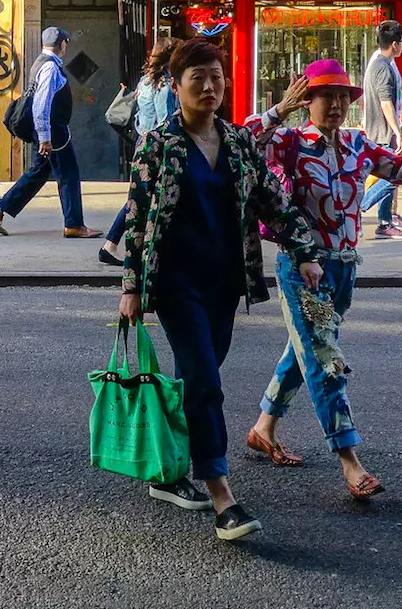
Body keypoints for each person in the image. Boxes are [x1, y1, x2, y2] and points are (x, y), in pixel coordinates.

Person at [117, 38, 325, 542]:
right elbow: (138, 220)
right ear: (176, 86)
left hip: (225, 283)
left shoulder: (236, 143)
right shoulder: (158, 145)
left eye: (216, 77)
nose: (210, 87)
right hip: (174, 285)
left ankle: (168, 473)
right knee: (206, 381)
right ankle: (222, 498)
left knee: (196, 378)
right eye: (198, 79)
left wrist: (304, 250)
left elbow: (273, 201)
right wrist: (130, 287)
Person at [242, 59, 402, 496]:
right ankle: (350, 461)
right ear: (307, 100)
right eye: (327, 96)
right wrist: (279, 111)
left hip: (344, 268)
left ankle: (264, 427)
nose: (337, 104)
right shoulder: (289, 142)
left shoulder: (357, 144)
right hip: (302, 267)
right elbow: (240, 142)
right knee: (326, 359)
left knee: (304, 348)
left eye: (344, 96)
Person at [0, 27, 97, 238]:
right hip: (53, 132)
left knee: (40, 172)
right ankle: (74, 225)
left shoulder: (40, 63)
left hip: (48, 130)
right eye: (66, 42)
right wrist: (45, 136)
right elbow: (41, 103)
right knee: (69, 174)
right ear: (61, 44)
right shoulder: (50, 68)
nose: (66, 46)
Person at [99, 39, 178, 266]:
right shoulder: (163, 86)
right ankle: (111, 244)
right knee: (142, 199)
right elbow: (165, 121)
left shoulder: (145, 82)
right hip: (155, 148)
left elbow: (138, 116)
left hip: (141, 144)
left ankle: (113, 245)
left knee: (143, 197)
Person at [358, 20, 402, 239]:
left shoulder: (384, 65)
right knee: (393, 177)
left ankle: (384, 222)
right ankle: (358, 208)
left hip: (383, 132)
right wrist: (397, 131)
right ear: (395, 44)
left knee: (390, 177)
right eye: (401, 41)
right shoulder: (382, 68)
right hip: (382, 132)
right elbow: (385, 103)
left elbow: (396, 95)